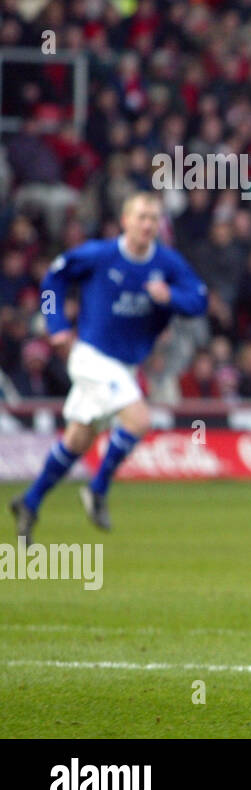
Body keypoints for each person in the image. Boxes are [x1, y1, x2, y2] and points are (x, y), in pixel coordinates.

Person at [9, 191, 208, 537]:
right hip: (91, 357)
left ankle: (30, 500)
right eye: (141, 217)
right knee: (138, 419)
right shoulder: (100, 255)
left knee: (78, 440)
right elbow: (53, 278)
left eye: (153, 218)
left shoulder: (167, 263)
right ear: (125, 221)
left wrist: (171, 297)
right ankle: (97, 490)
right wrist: (55, 325)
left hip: (126, 365)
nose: (148, 224)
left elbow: (199, 300)